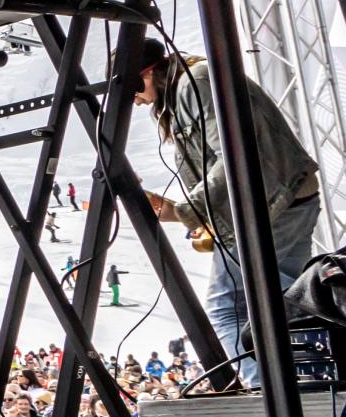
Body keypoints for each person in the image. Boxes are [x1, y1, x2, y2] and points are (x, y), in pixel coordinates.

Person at [134, 36, 321, 387]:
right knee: (290, 300)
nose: (134, 101)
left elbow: (233, 156)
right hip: (286, 199)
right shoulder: (190, 85)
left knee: (227, 307)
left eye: (132, 90)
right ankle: (305, 384)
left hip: (272, 206)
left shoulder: (196, 84)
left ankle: (267, 390)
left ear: (145, 74)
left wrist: (184, 211)